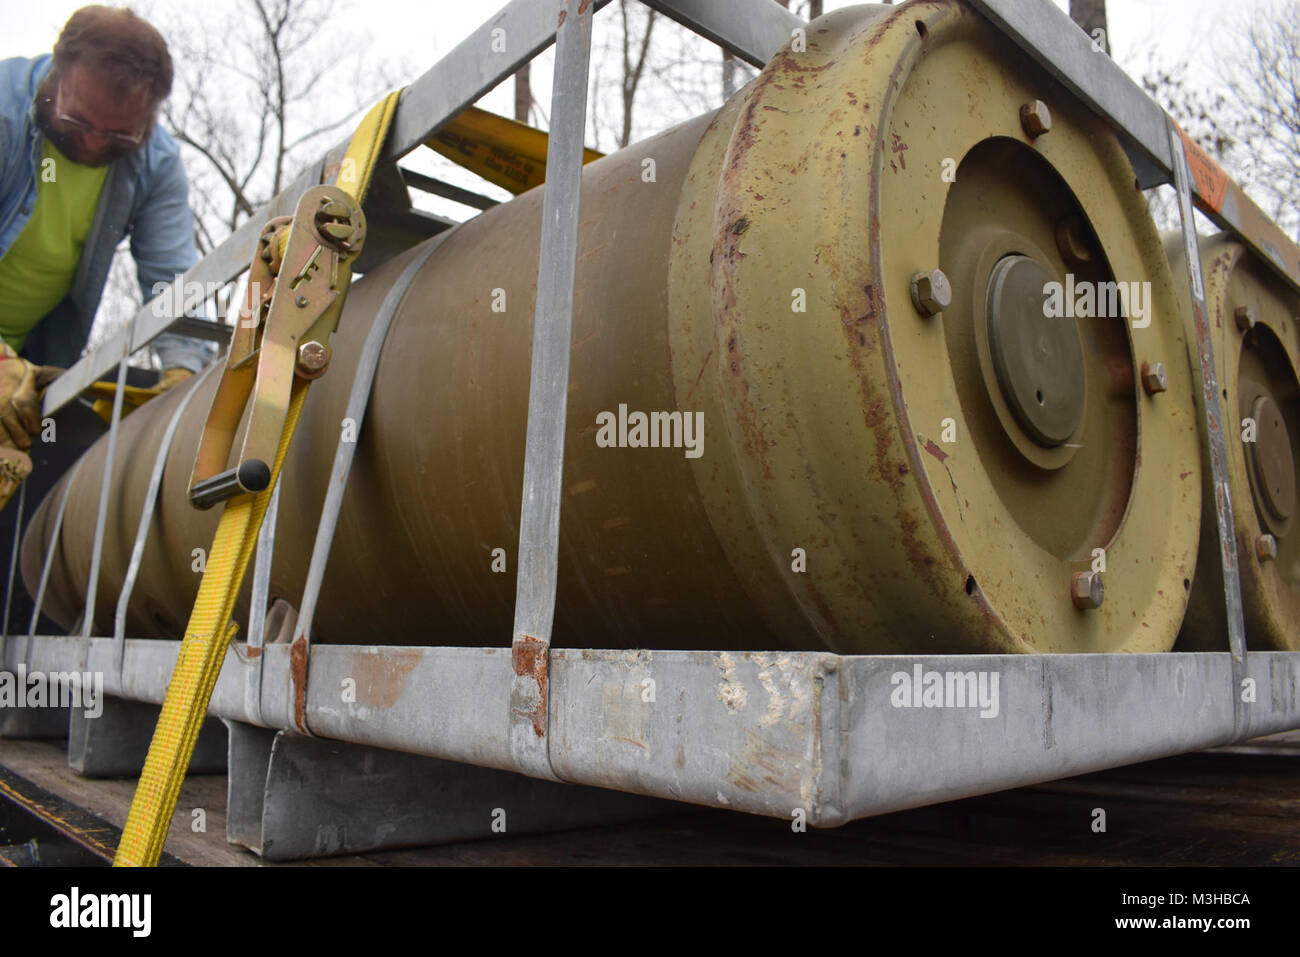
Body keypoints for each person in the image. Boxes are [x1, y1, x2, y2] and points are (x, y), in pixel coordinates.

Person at [0, 5, 213, 503]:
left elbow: (173, 281)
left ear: (151, 116)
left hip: (31, 365)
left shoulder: (156, 164)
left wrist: (184, 376)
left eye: (118, 136)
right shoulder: (5, 113)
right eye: (77, 121)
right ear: (57, 69)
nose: (94, 144)